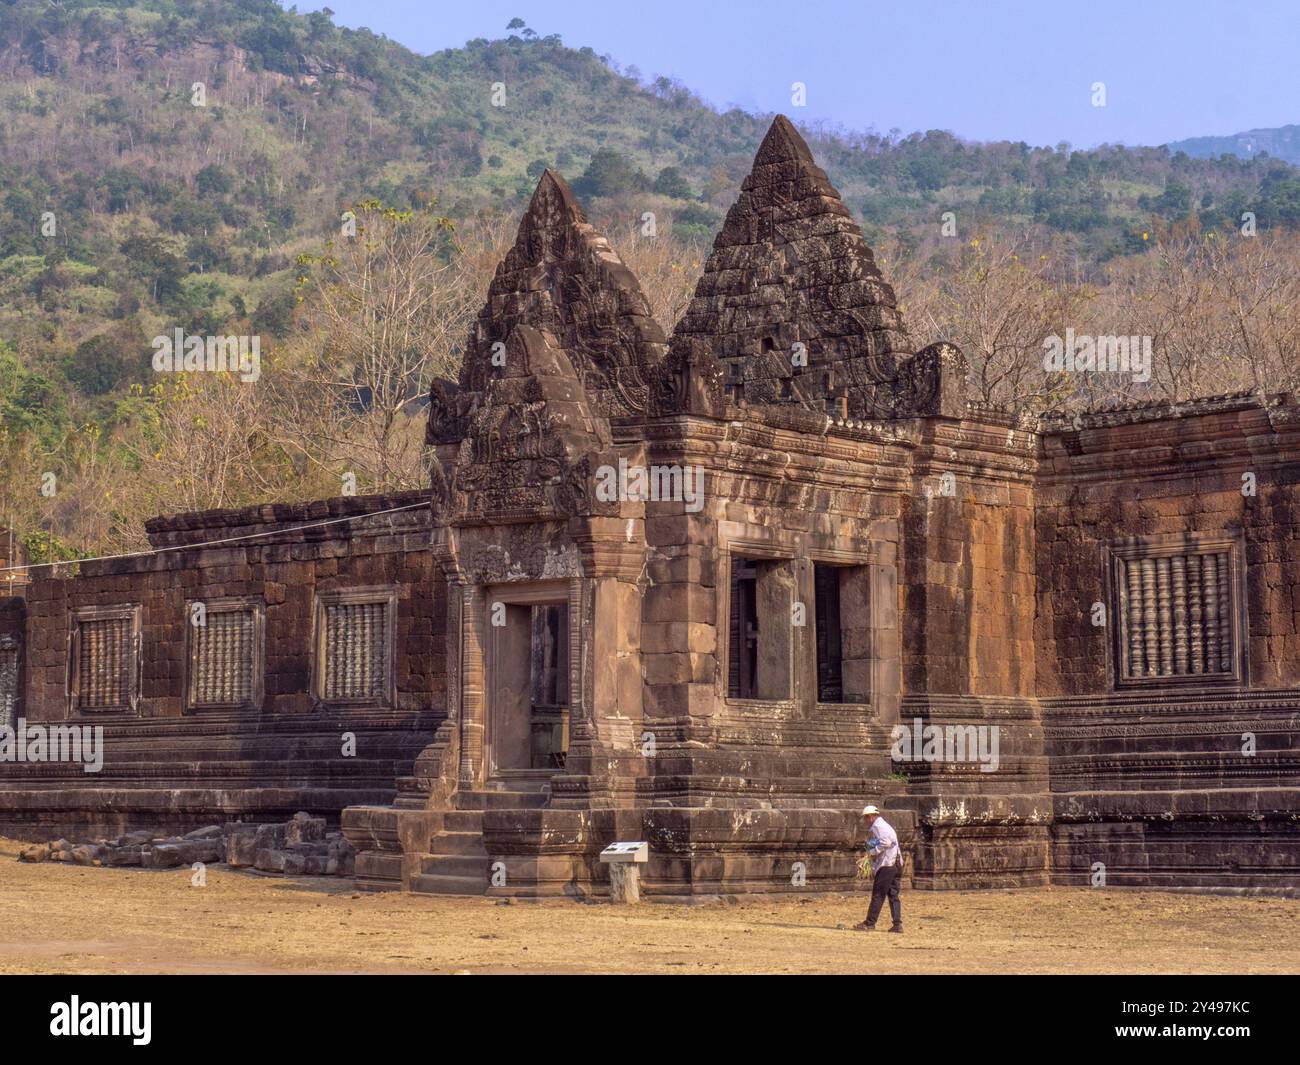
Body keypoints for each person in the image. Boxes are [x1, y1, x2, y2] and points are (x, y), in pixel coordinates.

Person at [854, 804, 903, 933]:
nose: (865, 822)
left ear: (870, 817)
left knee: (878, 894)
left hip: (888, 865)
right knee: (893, 895)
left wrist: (872, 853)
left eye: (865, 818)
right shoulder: (884, 826)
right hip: (896, 864)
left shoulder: (878, 826)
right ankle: (897, 924)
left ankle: (870, 923)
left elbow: (885, 843)